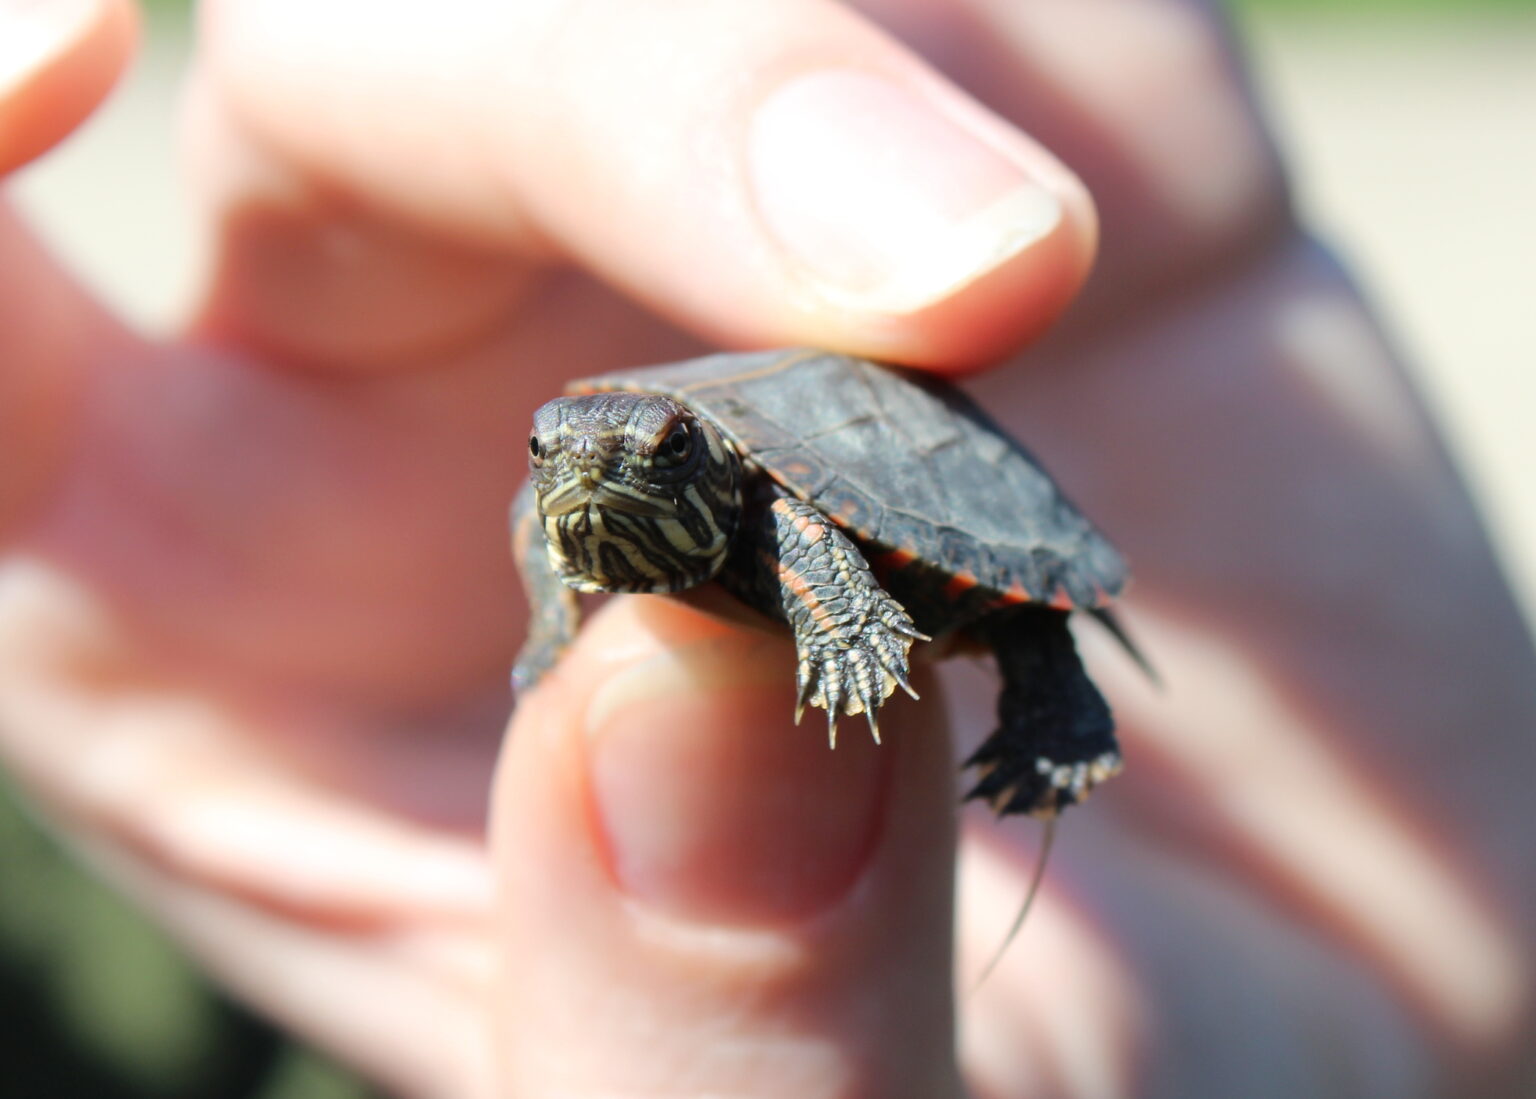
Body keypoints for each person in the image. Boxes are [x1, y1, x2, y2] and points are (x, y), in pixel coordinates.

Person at [2, 1, 1532, 1095]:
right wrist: (551, 621)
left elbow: (806, 536)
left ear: (694, 469)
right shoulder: (565, 501)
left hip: (898, 514)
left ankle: (1050, 703)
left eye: (639, 459)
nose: (593, 473)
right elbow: (563, 514)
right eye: (570, 452)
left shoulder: (773, 504)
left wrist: (857, 628)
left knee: (1017, 641)